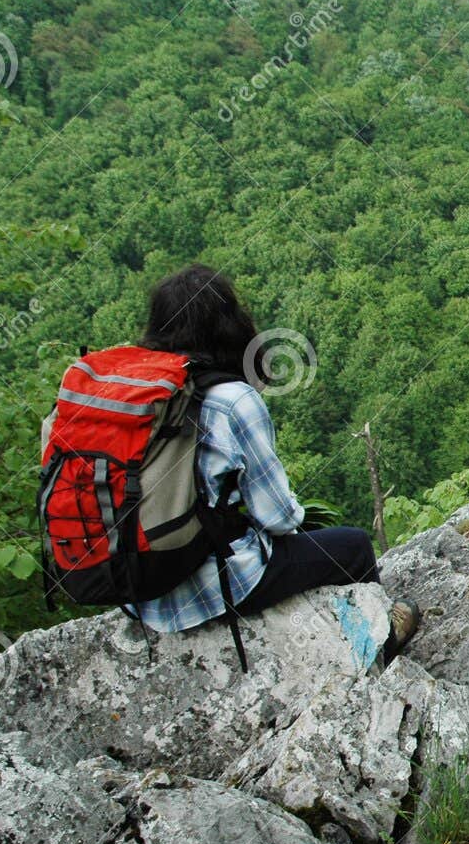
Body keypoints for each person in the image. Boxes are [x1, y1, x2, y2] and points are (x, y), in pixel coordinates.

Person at [133, 264, 418, 655]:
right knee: (352, 546)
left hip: (139, 587)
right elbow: (279, 518)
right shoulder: (232, 401)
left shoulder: (138, 396)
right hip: (215, 583)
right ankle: (377, 644)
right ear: (227, 327)